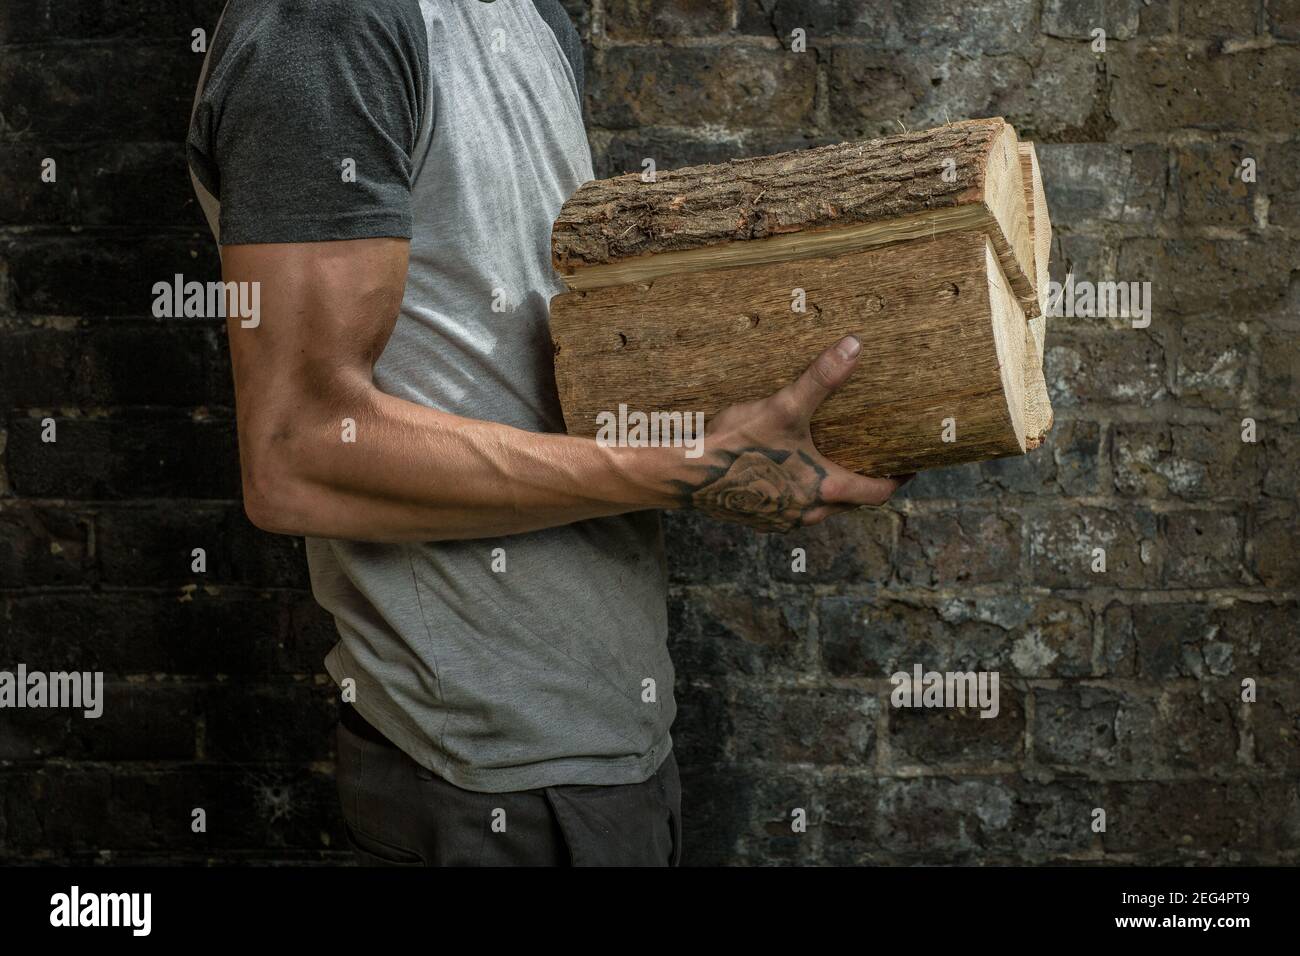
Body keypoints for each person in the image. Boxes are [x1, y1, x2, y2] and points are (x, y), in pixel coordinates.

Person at [186, 0, 904, 866]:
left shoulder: (529, 17)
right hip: (482, 781)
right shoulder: (326, 25)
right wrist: (689, 471)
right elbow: (297, 454)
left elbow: (554, 365)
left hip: (618, 743)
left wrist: (825, 406)